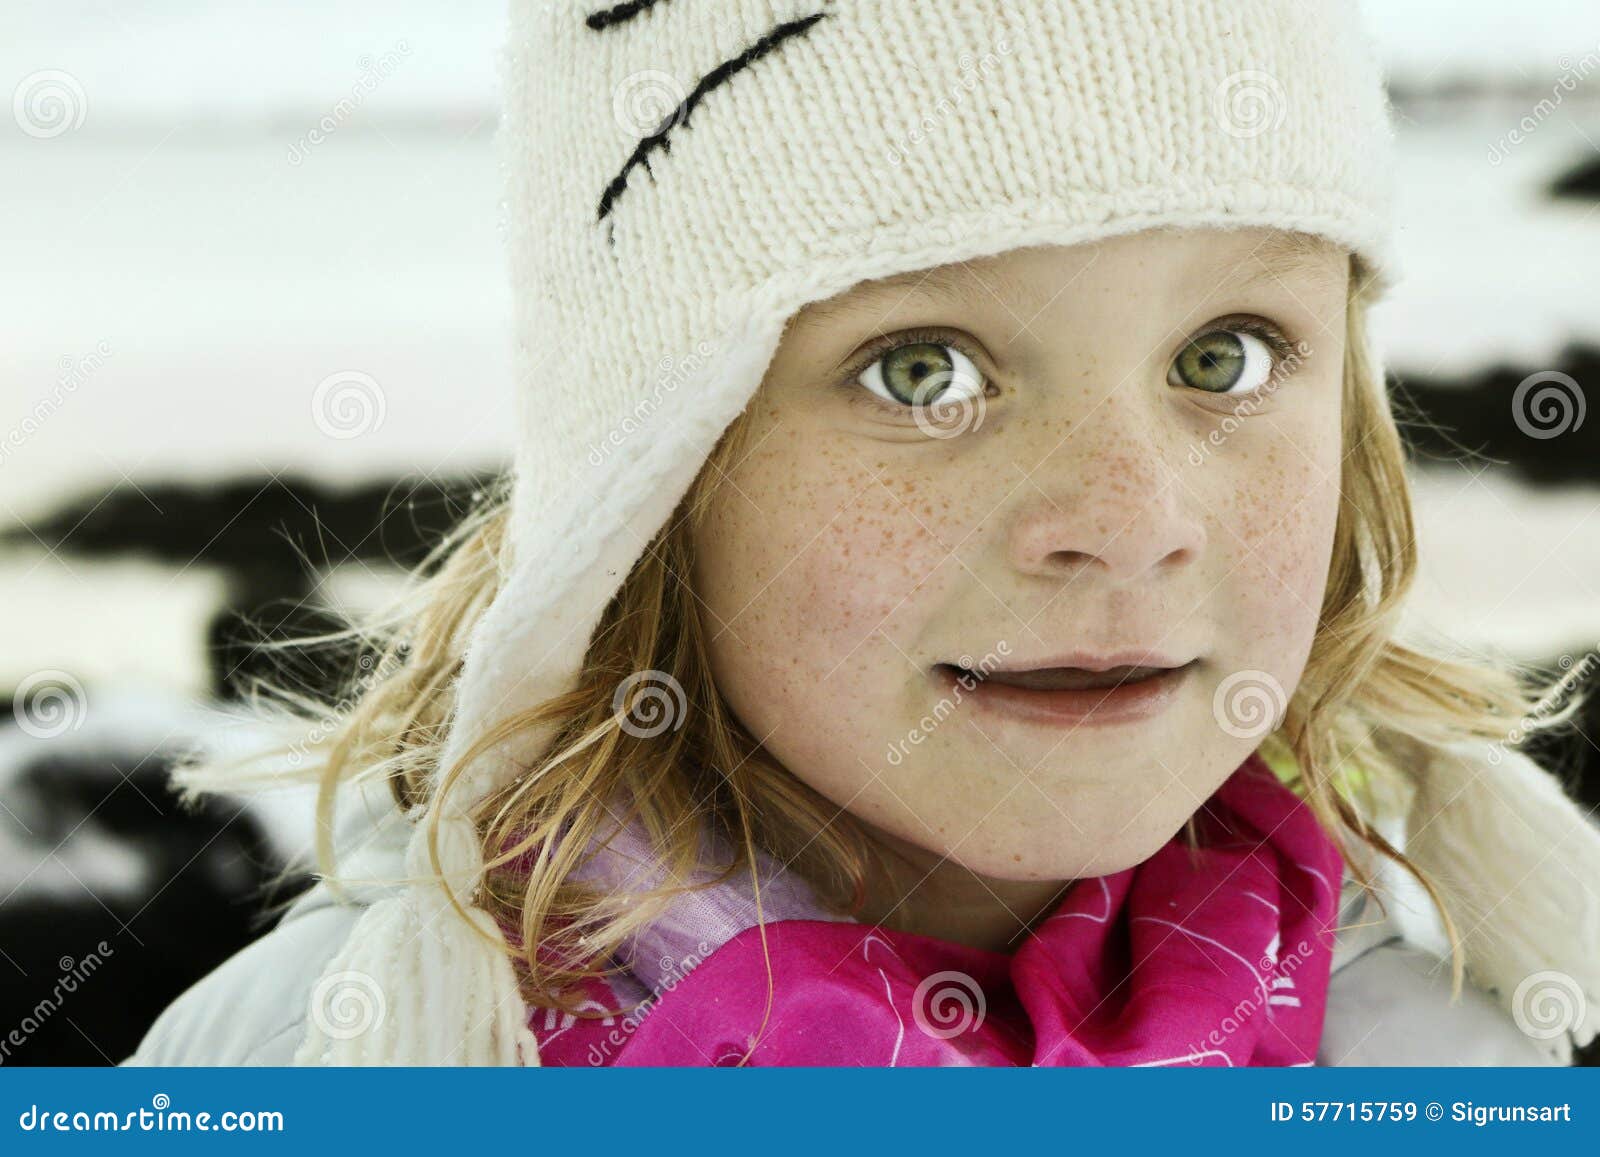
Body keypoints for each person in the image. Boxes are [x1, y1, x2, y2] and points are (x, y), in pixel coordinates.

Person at [127, 0, 1599, 1066]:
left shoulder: (1444, 1045)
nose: (1128, 522)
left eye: (1224, 355)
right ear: (650, 472)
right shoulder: (337, 1063)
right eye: (926, 371)